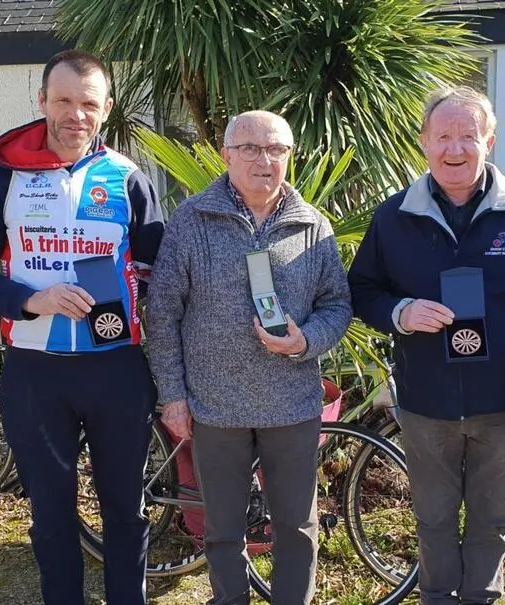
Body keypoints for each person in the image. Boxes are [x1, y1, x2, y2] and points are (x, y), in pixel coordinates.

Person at [348, 86, 505, 604]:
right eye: (443, 136)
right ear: (424, 143)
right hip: (426, 405)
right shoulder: (393, 218)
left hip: (504, 405)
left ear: (489, 141)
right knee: (432, 521)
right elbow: (362, 291)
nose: (455, 149)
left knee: (494, 521)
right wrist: (400, 312)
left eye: (468, 136)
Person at [0, 50, 165, 604]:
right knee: (50, 514)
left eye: (89, 103)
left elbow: (156, 269)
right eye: (64, 100)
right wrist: (31, 298)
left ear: (106, 109)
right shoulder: (3, 175)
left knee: (124, 508)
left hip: (116, 368)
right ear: (41, 100)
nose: (76, 114)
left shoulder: (127, 177)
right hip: (35, 371)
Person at [146, 110, 351, 605]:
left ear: (289, 157)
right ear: (227, 155)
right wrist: (173, 396)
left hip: (292, 404)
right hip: (216, 406)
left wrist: (306, 341)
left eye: (277, 149)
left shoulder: (312, 225)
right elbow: (163, 313)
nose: (265, 160)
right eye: (251, 149)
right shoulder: (192, 220)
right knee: (222, 530)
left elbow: (338, 305)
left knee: (297, 529)